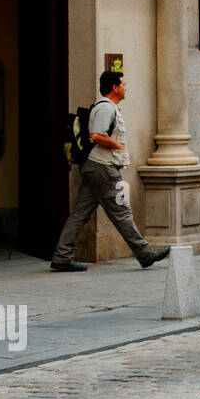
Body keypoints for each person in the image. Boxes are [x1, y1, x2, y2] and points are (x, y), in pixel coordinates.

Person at [50, 72, 172, 272]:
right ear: (115, 88)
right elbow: (97, 135)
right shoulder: (106, 108)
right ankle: (145, 253)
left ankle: (61, 256)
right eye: (123, 84)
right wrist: (118, 146)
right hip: (103, 168)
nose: (126, 87)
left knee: (80, 214)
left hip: (96, 168)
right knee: (122, 211)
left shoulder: (109, 107)